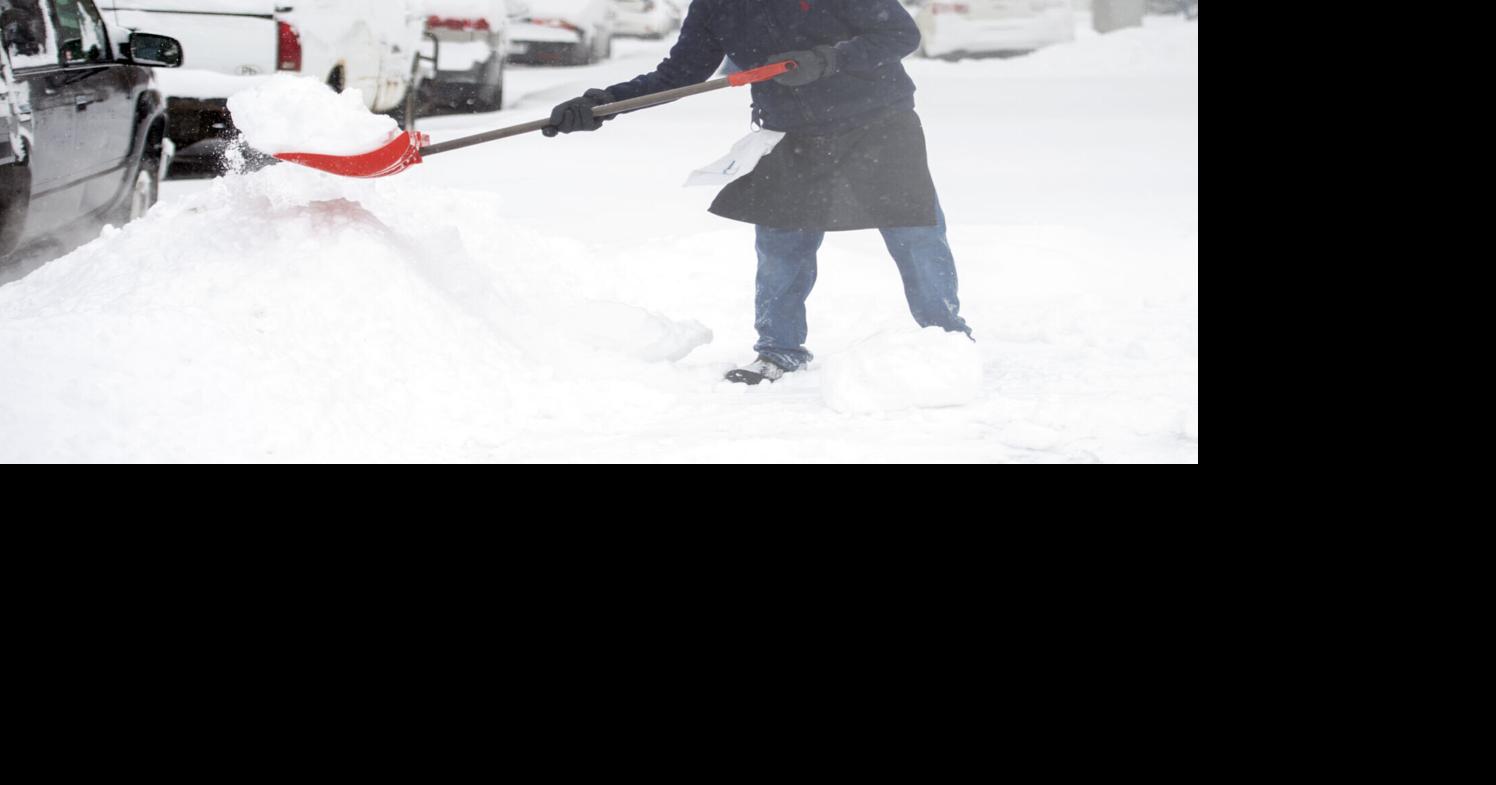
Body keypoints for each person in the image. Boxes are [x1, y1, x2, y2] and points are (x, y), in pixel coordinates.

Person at [545, 0, 972, 385]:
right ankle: (778, 351)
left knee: (913, 232)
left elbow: (900, 34)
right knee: (782, 243)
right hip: (790, 131)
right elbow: (679, 75)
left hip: (876, 121)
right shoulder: (715, 6)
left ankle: (946, 338)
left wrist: (828, 60)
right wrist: (602, 104)